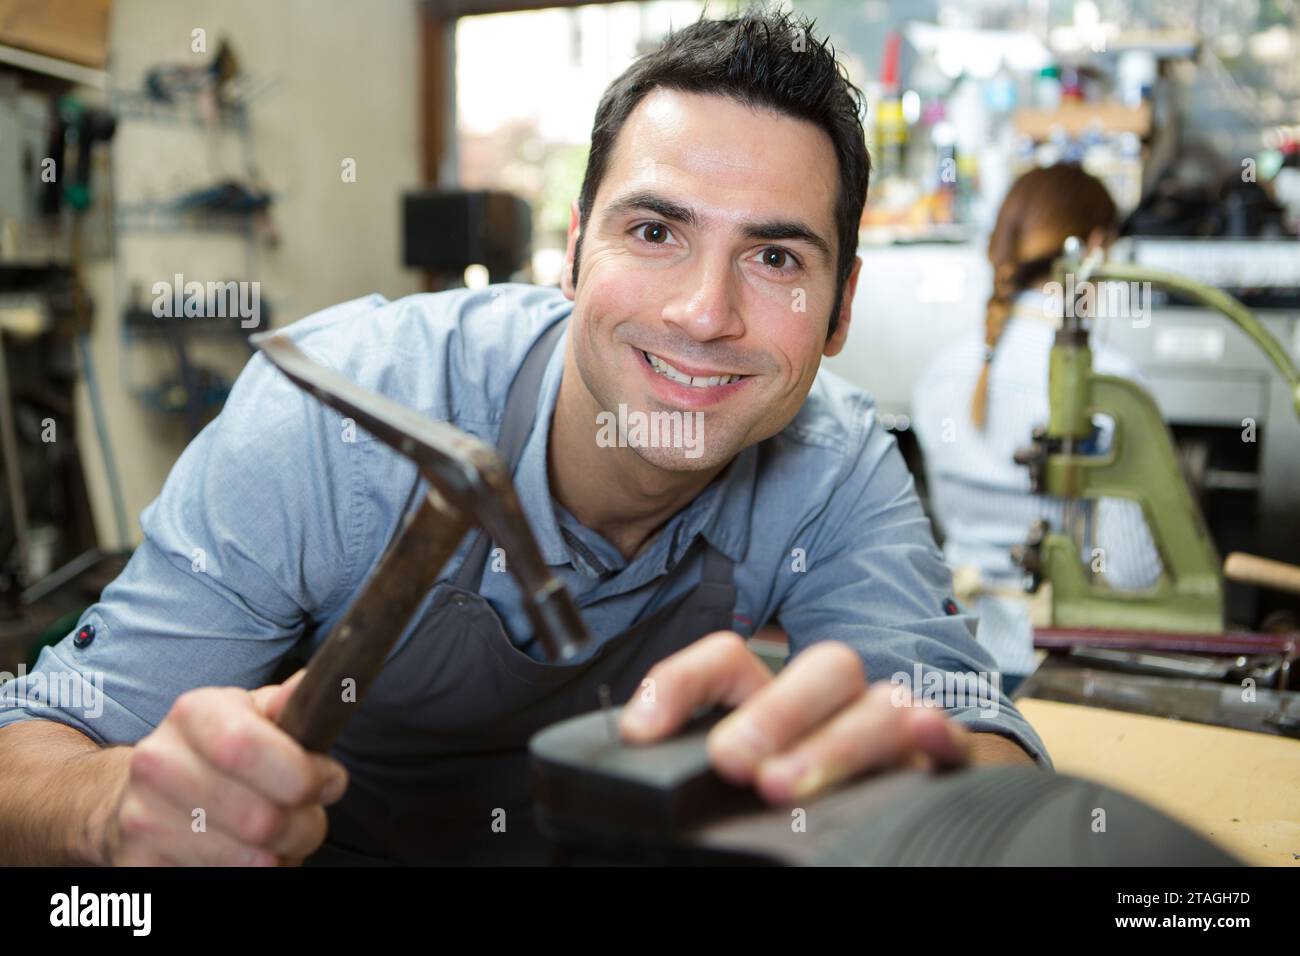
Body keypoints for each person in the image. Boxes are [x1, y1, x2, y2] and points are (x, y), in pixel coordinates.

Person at [0, 9, 1048, 867]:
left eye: (775, 258)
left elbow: (990, 754)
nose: (703, 312)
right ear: (574, 250)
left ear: (840, 308)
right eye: (655, 231)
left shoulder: (829, 463)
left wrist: (911, 796)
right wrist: (116, 806)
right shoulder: (336, 419)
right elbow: (29, 753)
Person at [912, 164, 1162, 678]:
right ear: (1095, 248)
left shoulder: (939, 372)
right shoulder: (1113, 387)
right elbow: (1133, 575)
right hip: (1056, 671)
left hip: (952, 655)